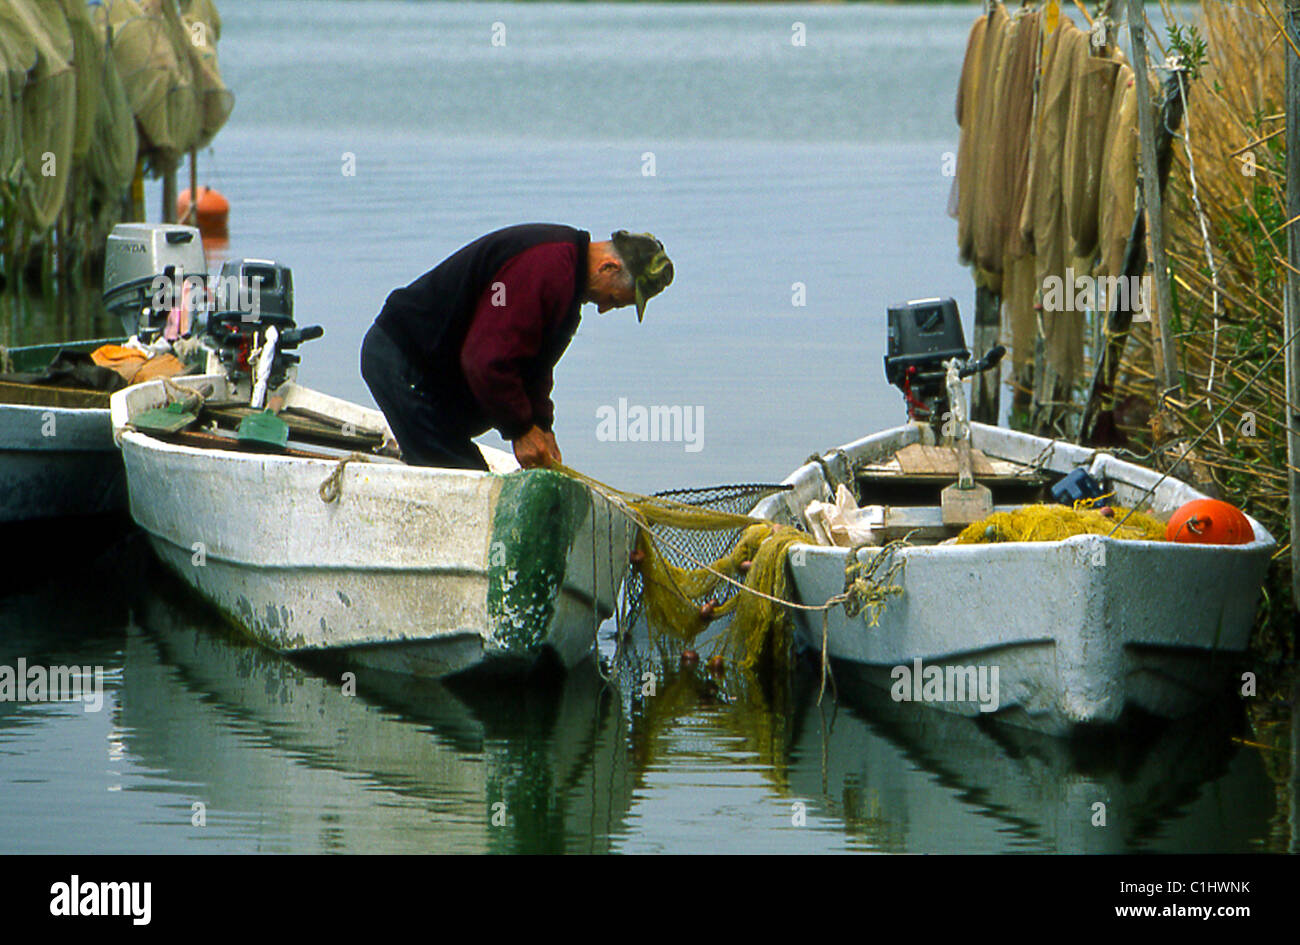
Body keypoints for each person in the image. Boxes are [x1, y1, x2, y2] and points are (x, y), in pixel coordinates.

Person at [360, 224, 673, 470]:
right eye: (614, 300)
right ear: (609, 268)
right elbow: (484, 359)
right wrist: (521, 429)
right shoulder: (544, 268)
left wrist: (542, 426)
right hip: (402, 358)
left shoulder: (568, 281)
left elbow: (534, 368)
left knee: (453, 458)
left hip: (437, 375)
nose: (604, 309)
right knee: (462, 476)